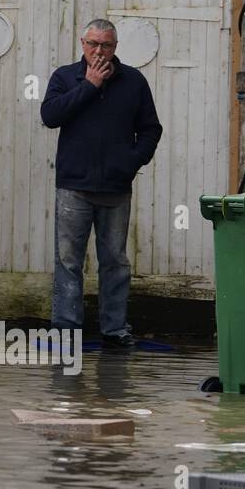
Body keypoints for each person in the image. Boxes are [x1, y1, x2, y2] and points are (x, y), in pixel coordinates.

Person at [40, 18, 162, 349]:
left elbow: (151, 128)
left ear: (115, 47)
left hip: (115, 188)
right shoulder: (66, 77)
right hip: (73, 187)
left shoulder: (133, 81)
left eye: (105, 45)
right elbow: (50, 116)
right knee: (68, 261)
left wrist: (131, 160)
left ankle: (115, 329)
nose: (98, 51)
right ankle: (66, 330)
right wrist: (89, 85)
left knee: (115, 262)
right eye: (93, 44)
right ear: (82, 44)